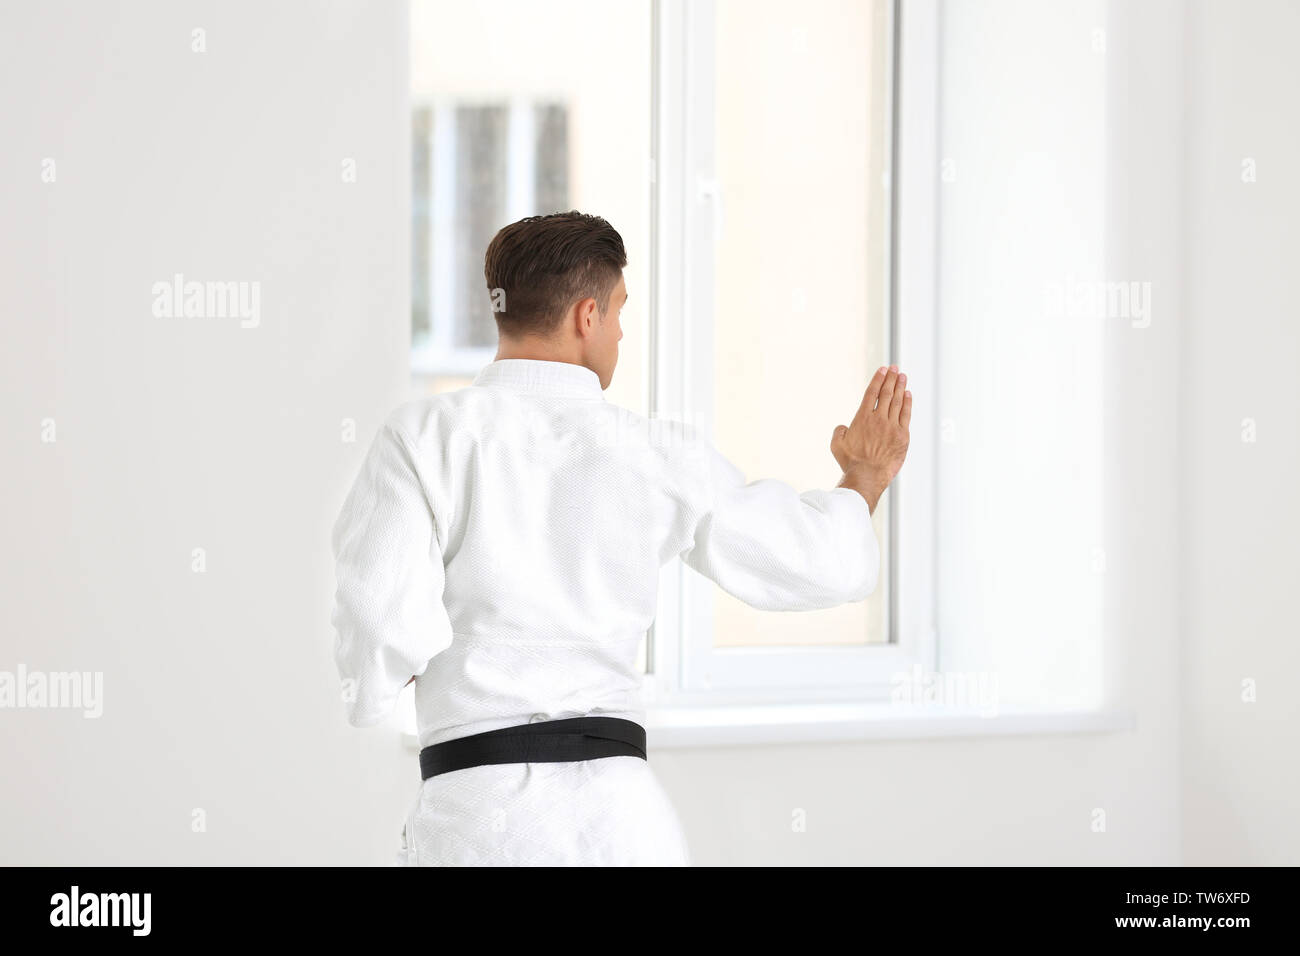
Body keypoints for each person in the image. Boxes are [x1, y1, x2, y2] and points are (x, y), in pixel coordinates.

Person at [330, 210, 911, 866]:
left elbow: (378, 622)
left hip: (481, 821)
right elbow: (820, 563)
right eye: (619, 313)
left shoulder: (425, 436)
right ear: (587, 316)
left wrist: (398, 671)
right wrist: (862, 477)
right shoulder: (657, 452)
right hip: (626, 826)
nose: (620, 332)